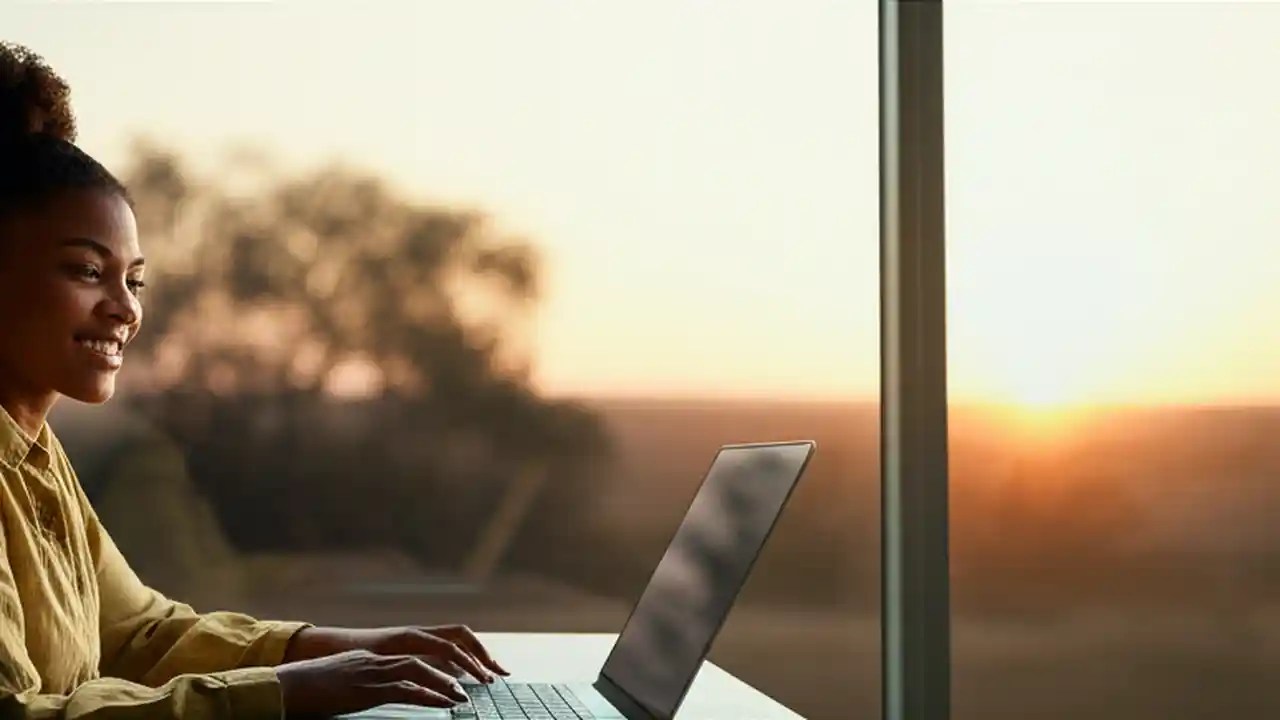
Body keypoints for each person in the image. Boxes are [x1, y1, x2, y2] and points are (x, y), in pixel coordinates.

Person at [0, 42, 508, 720]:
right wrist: (290, 692)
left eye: (134, 279)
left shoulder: (33, 453)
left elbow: (139, 634)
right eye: (88, 271)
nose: (125, 308)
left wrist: (345, 651)